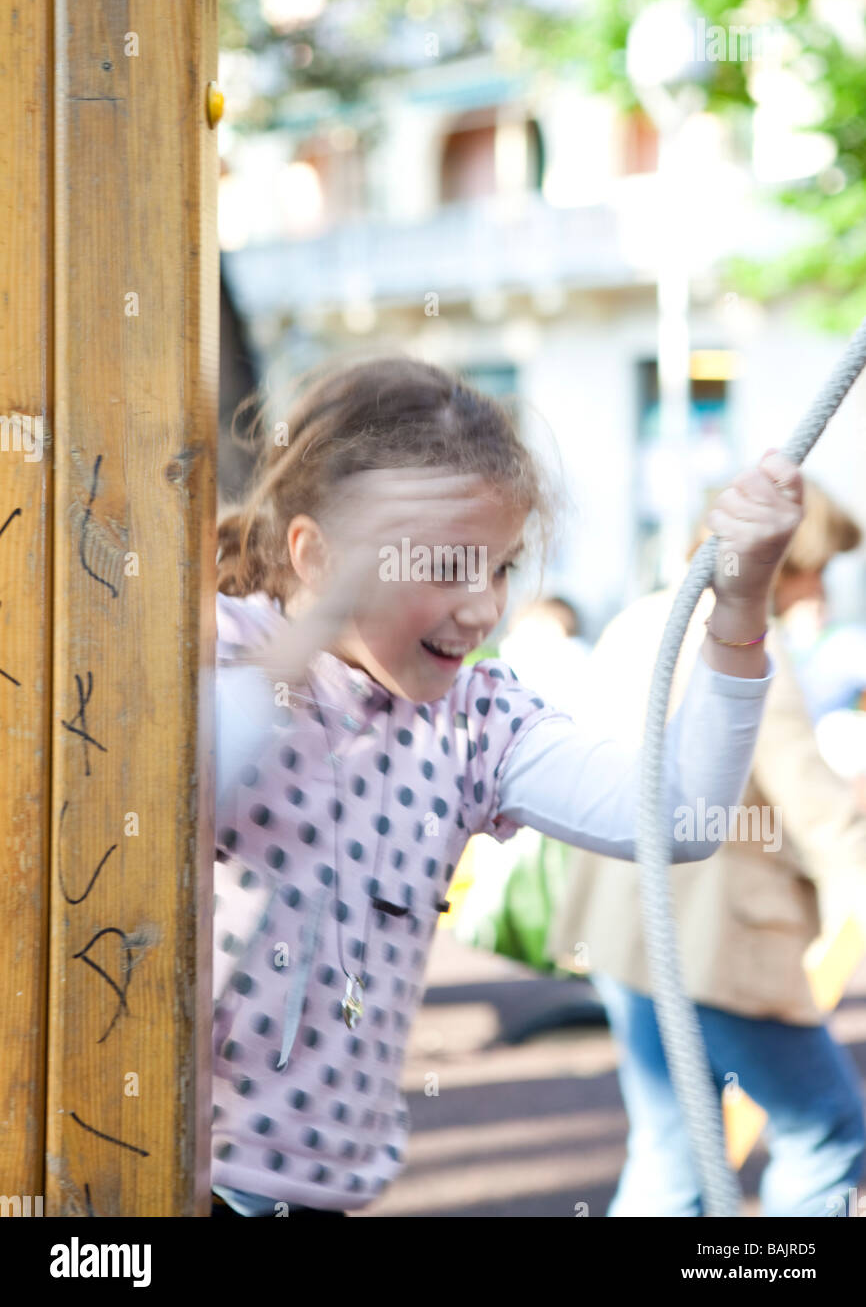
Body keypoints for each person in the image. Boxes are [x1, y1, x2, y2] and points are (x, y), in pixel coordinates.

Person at [209, 354, 801, 1217]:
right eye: (446, 566)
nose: (484, 607)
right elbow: (191, 777)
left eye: (499, 568)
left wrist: (740, 612)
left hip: (319, 1197)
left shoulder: (472, 723)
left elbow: (684, 815)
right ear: (315, 555)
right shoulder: (222, 652)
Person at [549, 478, 866, 1218]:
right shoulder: (748, 643)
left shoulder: (640, 618)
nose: (822, 584)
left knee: (673, 1150)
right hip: (714, 936)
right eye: (818, 565)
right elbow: (812, 806)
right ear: (786, 559)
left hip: (629, 924)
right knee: (825, 1130)